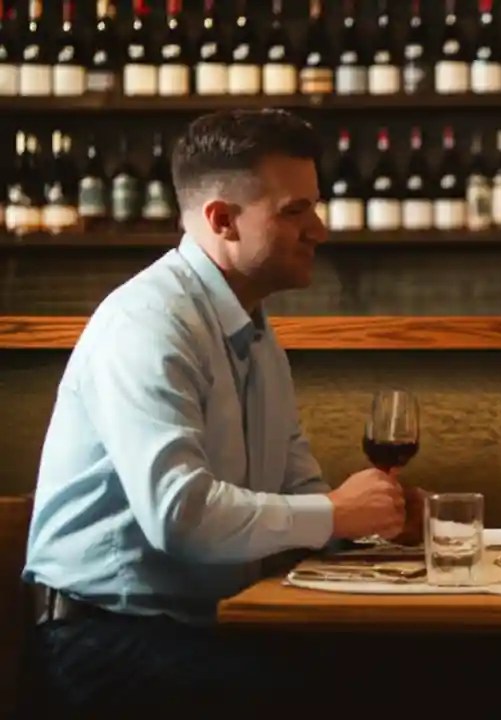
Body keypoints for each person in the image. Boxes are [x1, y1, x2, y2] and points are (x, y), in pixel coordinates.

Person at [22, 109, 409, 716]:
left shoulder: (255, 332)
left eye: (314, 207)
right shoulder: (149, 322)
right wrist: (336, 513)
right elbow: (178, 514)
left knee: (408, 665)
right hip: (99, 639)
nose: (319, 230)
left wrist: (376, 522)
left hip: (200, 627)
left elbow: (297, 492)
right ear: (222, 220)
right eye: (295, 211)